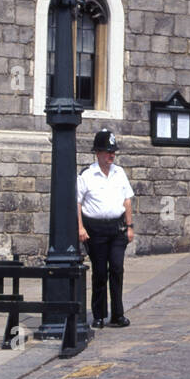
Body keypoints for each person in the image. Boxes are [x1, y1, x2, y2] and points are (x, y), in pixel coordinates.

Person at [77, 128, 135, 329]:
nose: (111, 155)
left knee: (117, 269)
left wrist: (130, 226)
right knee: (100, 272)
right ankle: (99, 315)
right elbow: (77, 203)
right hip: (95, 230)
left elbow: (127, 200)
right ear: (98, 153)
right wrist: (80, 228)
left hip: (117, 229)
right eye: (107, 151)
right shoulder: (87, 175)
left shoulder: (119, 173)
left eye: (113, 152)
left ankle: (117, 315)